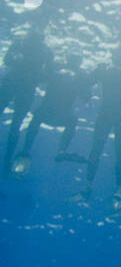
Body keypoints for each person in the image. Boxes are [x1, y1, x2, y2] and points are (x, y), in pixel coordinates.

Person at [75, 51, 121, 204]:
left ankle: (87, 187)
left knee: (96, 150)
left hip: (105, 113)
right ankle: (118, 191)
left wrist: (85, 94)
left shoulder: (105, 70)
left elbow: (87, 81)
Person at [13, 52, 91, 173]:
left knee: (37, 118)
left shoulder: (58, 72)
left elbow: (39, 78)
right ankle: (61, 150)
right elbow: (86, 97)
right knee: (71, 121)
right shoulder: (78, 77)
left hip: (46, 112)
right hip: (60, 115)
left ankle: (26, 149)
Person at [0, 27, 53, 176]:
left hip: (16, 85)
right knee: (16, 125)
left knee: (16, 125)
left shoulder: (22, 43)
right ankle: (6, 164)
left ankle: (6, 163)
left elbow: (7, 60)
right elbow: (48, 75)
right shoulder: (42, 50)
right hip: (21, 86)